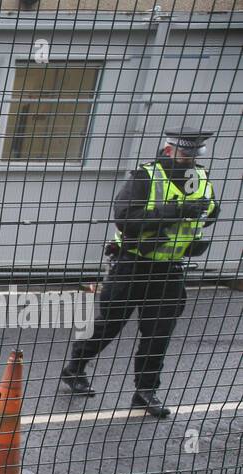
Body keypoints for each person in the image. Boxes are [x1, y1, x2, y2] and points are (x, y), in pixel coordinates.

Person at [60, 127, 220, 418]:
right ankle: (75, 367)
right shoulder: (145, 177)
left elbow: (209, 213)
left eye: (195, 155)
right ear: (169, 150)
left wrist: (204, 212)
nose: (190, 160)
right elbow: (125, 219)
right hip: (133, 265)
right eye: (186, 154)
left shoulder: (201, 178)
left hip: (170, 269)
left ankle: (146, 391)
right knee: (109, 324)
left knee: (158, 334)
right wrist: (178, 212)